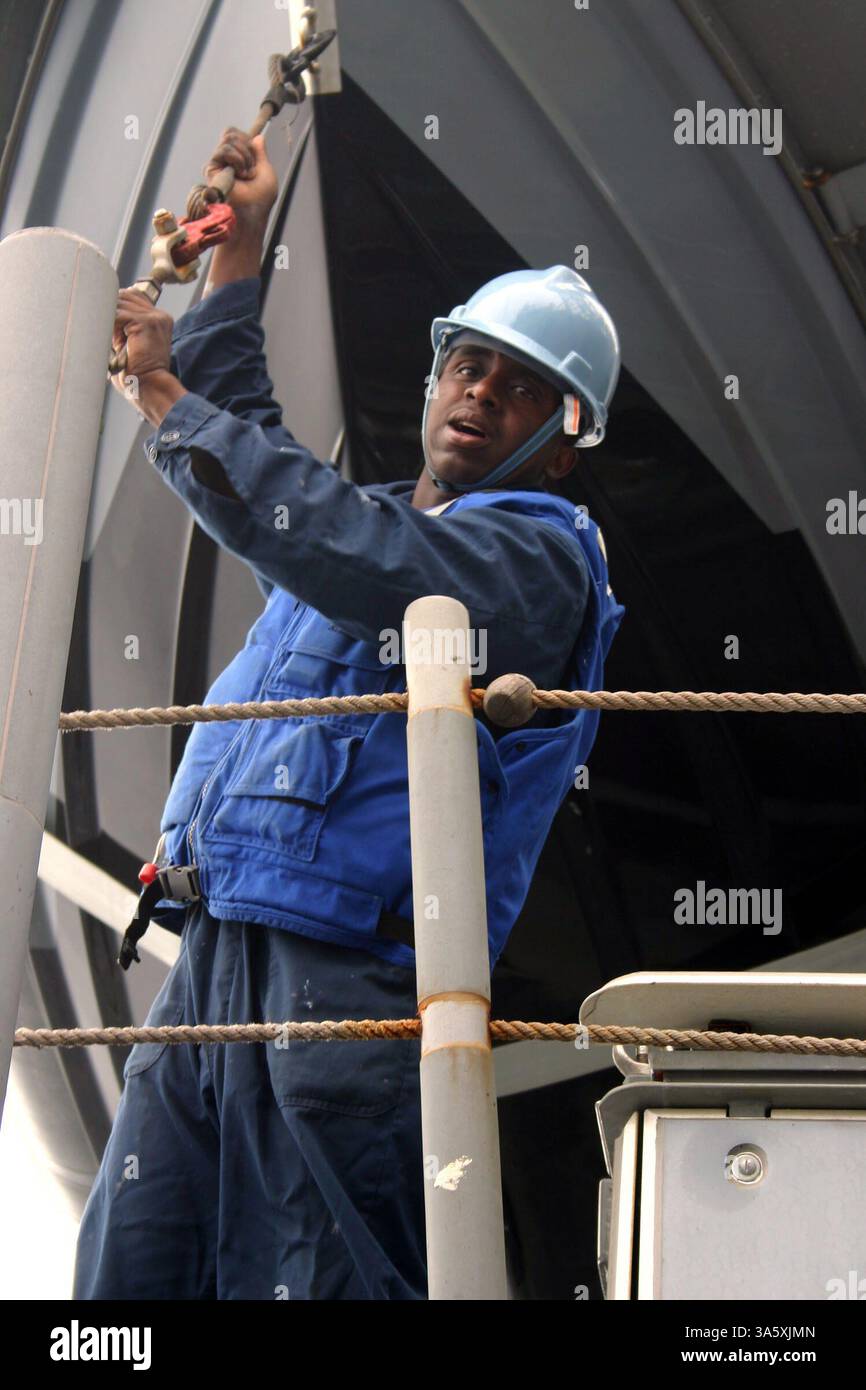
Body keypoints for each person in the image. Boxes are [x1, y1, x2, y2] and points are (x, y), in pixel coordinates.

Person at [73, 127, 624, 1300]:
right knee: (131, 1272)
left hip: (347, 981)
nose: (479, 394)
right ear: (432, 381)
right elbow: (273, 477)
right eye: (466, 366)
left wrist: (161, 390)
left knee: (316, 1277)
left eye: (520, 385)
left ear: (564, 445)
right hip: (216, 948)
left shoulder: (536, 563)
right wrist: (238, 254)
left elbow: (325, 533)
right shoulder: (364, 527)